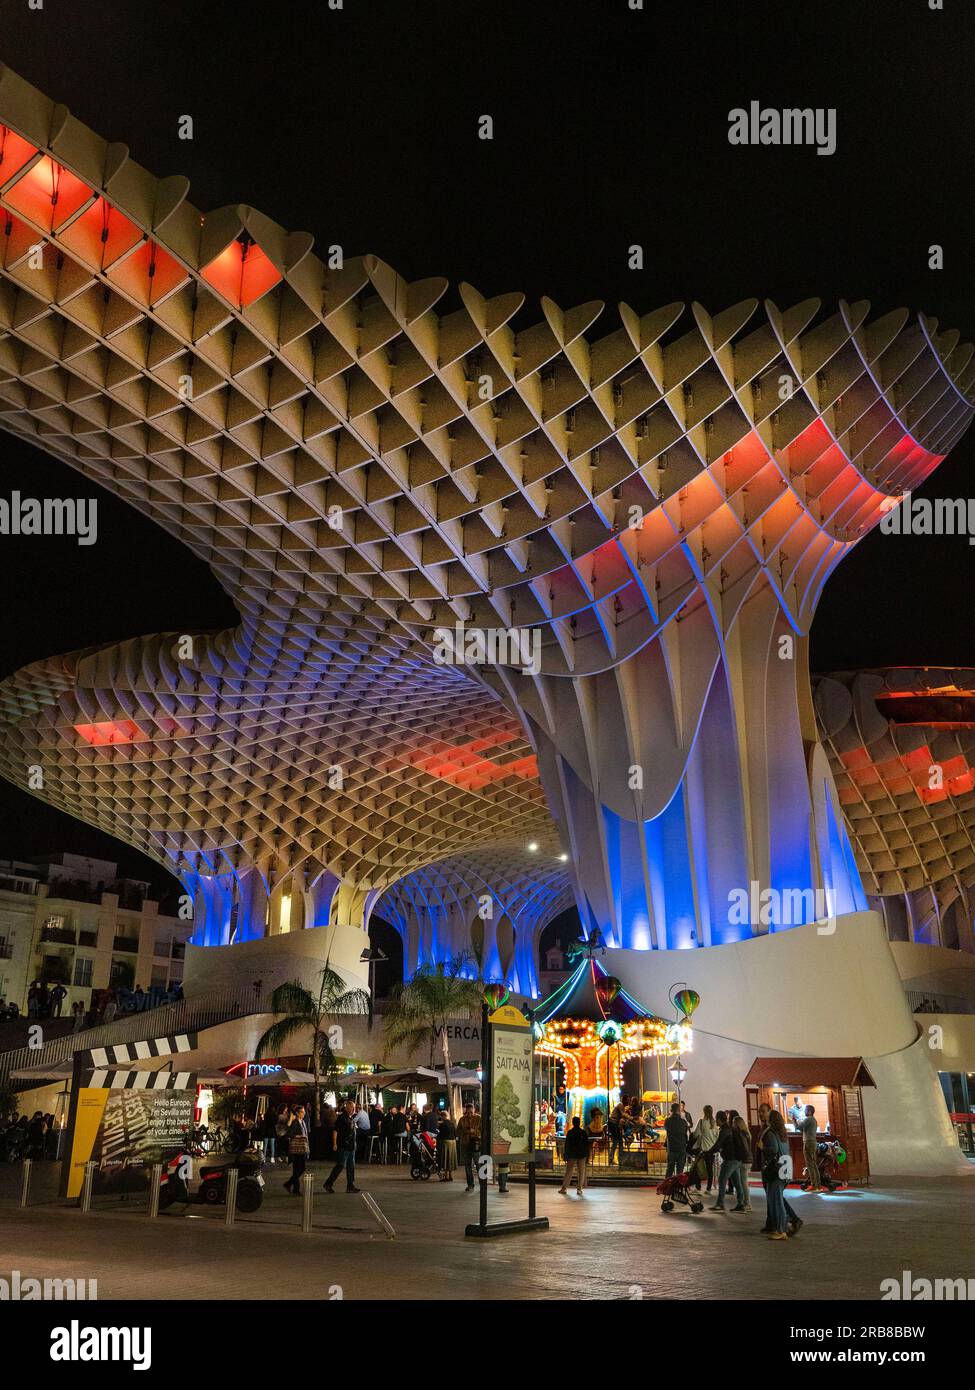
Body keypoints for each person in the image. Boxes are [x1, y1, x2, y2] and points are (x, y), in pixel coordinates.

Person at [761, 1109, 801, 1239]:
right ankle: (789, 1222)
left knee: (776, 1200)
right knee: (777, 1197)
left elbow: (773, 1149)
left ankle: (781, 1230)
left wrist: (762, 1147)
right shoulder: (783, 1133)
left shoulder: (771, 1133)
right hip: (786, 1166)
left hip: (778, 1168)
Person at [707, 1111, 744, 1211]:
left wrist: (708, 1152)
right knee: (737, 1182)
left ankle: (720, 1204)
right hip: (737, 1159)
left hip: (730, 1159)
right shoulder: (730, 1129)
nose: (715, 1121)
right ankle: (741, 1204)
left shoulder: (725, 1130)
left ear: (719, 1119)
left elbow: (718, 1144)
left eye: (716, 1119)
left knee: (722, 1179)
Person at [324, 1099, 360, 1194]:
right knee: (340, 1165)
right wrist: (335, 1143)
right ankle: (328, 1184)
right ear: (347, 1108)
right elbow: (335, 1131)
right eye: (352, 1107)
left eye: (354, 1107)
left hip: (351, 1147)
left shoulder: (350, 1118)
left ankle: (350, 1186)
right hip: (344, 1146)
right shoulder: (342, 1118)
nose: (353, 1109)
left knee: (351, 1167)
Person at [558, 1116, 590, 1196]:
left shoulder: (570, 1132)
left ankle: (564, 1188)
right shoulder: (583, 1133)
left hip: (572, 1154)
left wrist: (566, 1154)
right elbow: (586, 1145)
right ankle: (579, 1189)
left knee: (569, 1171)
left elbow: (567, 1144)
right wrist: (587, 1155)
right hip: (582, 1154)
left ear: (573, 1123)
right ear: (579, 1123)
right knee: (581, 1172)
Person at [690, 1105, 718, 1192]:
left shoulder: (701, 1121)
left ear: (704, 1112)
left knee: (697, 1168)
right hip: (711, 1150)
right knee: (709, 1169)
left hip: (702, 1150)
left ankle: (698, 1187)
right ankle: (708, 1188)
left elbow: (695, 1134)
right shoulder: (715, 1123)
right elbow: (717, 1136)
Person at [283, 1105, 309, 1195]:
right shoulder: (295, 1122)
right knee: (299, 1168)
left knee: (300, 1169)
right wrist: (298, 1136)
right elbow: (289, 1134)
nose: (303, 1113)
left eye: (304, 1112)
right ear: (297, 1113)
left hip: (302, 1148)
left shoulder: (303, 1122)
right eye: (302, 1112)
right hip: (296, 1149)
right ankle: (294, 1188)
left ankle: (291, 1185)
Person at [730, 1116, 753, 1211]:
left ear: (737, 1124)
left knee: (743, 1183)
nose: (732, 1125)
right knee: (743, 1182)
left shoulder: (740, 1134)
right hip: (747, 1160)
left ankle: (747, 1204)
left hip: (743, 1161)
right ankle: (744, 1203)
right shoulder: (747, 1133)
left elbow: (742, 1149)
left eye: (733, 1123)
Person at [457, 1102, 481, 1191]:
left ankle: (482, 1184)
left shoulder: (479, 1118)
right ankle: (470, 1184)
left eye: (471, 1112)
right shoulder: (462, 1119)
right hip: (466, 1145)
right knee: (467, 1166)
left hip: (476, 1145)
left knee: (478, 1165)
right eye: (468, 1112)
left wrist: (474, 1132)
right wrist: (466, 1131)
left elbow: (483, 1130)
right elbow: (458, 1131)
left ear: (474, 1110)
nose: (469, 1114)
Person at [664, 1102, 687, 1177]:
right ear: (678, 1110)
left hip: (671, 1147)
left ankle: (667, 1183)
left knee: (670, 1169)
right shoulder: (683, 1122)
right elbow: (685, 1133)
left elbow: (666, 1129)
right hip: (681, 1148)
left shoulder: (667, 1121)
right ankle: (678, 1183)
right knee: (680, 1170)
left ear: (671, 1110)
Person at [800, 1104, 820, 1190]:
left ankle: (814, 1185)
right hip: (812, 1142)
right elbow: (803, 1129)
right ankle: (817, 1184)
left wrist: (793, 1120)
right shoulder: (813, 1120)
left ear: (810, 1111)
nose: (804, 1111)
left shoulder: (808, 1119)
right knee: (813, 1164)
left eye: (806, 1110)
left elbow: (798, 1127)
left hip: (808, 1143)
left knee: (810, 1165)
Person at [437, 1111, 457, 1180]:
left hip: (446, 1142)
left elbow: (440, 1135)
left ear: (443, 1116)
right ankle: (450, 1175)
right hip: (453, 1142)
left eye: (441, 1116)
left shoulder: (442, 1124)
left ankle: (446, 1176)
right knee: (451, 1159)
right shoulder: (452, 1123)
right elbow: (455, 1133)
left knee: (445, 1159)